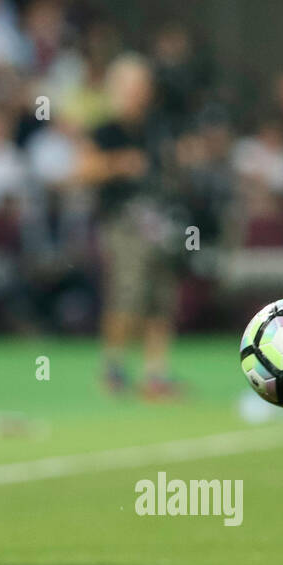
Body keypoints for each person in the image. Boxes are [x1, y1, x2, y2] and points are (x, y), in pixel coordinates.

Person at [75, 54, 182, 398]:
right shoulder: (104, 129)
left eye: (142, 87)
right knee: (127, 292)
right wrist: (118, 164)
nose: (138, 93)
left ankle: (156, 373)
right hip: (121, 221)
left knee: (160, 296)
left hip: (158, 221)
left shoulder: (157, 127)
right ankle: (114, 368)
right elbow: (82, 170)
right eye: (132, 87)